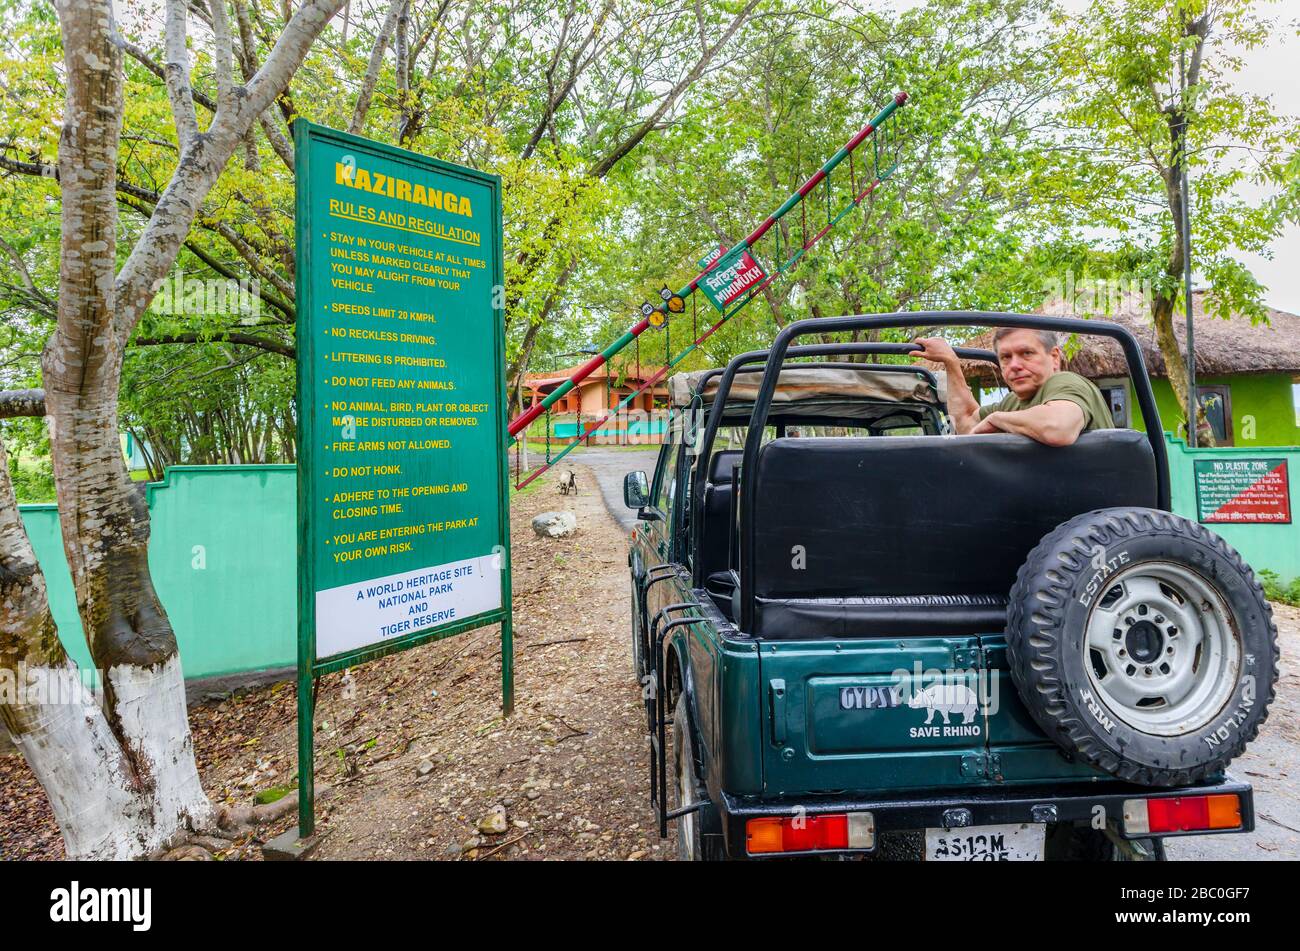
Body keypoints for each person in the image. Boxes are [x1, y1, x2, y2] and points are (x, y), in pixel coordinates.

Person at [912, 328, 1113, 447]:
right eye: (1006, 357)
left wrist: (997, 419)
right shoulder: (1013, 401)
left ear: (1053, 357)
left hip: (1097, 513)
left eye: (1026, 353)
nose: (1015, 365)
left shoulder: (1065, 382)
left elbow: (1057, 427)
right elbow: (966, 424)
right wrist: (951, 362)